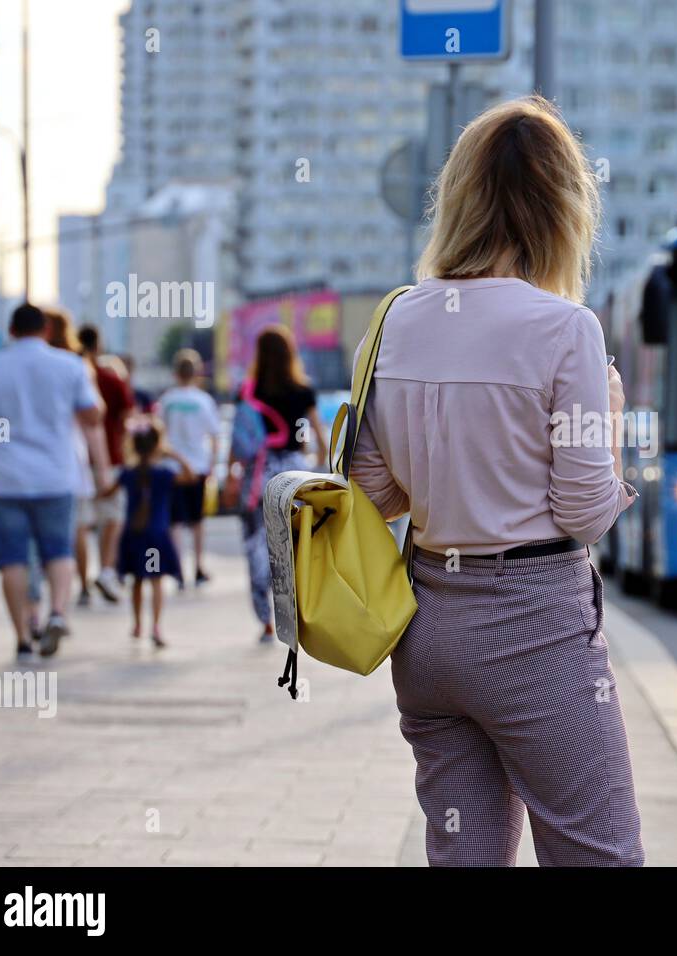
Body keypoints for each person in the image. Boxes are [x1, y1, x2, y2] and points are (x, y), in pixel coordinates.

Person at [348, 96, 642, 866]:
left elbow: (374, 493)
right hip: (533, 627)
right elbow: (584, 512)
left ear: (458, 199)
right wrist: (607, 420)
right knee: (599, 853)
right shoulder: (564, 329)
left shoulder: (398, 318)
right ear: (563, 209)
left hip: (427, 630)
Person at [0, 303, 104, 659]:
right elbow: (93, 415)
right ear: (46, 331)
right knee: (59, 551)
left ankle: (23, 638)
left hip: (8, 478)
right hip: (57, 475)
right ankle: (56, 612)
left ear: (11, 331)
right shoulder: (69, 366)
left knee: (13, 559)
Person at [223, 324, 327, 641]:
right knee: (293, 546)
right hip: (294, 479)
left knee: (257, 547)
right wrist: (317, 468)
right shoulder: (303, 389)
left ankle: (265, 619)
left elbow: (237, 439)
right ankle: (293, 614)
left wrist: (230, 474)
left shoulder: (248, 391)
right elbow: (319, 441)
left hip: (257, 477)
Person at [98, 418, 189, 648]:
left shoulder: (127, 473)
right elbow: (191, 476)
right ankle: (156, 626)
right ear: (158, 444)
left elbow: (107, 492)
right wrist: (173, 455)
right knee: (156, 580)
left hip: (135, 535)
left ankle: (138, 624)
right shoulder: (164, 474)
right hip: (156, 536)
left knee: (137, 580)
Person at [43, 308, 109, 608]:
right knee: (78, 528)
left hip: (34, 468)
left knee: (45, 535)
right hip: (71, 461)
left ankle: (48, 595)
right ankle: (82, 585)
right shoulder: (77, 366)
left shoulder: (34, 365)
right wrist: (103, 468)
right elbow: (94, 423)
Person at [78, 325, 135, 603]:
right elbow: (126, 422)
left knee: (80, 524)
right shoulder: (111, 381)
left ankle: (82, 583)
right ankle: (105, 570)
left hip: (75, 461)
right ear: (98, 345)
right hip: (110, 459)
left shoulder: (71, 376)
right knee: (112, 518)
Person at [156, 349, 221, 586]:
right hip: (198, 466)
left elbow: (158, 435)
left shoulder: (167, 400)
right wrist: (212, 465)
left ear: (175, 373)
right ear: (197, 373)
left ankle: (177, 569)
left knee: (174, 521)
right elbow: (215, 436)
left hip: (172, 468)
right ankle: (198, 566)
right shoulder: (203, 400)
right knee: (197, 520)